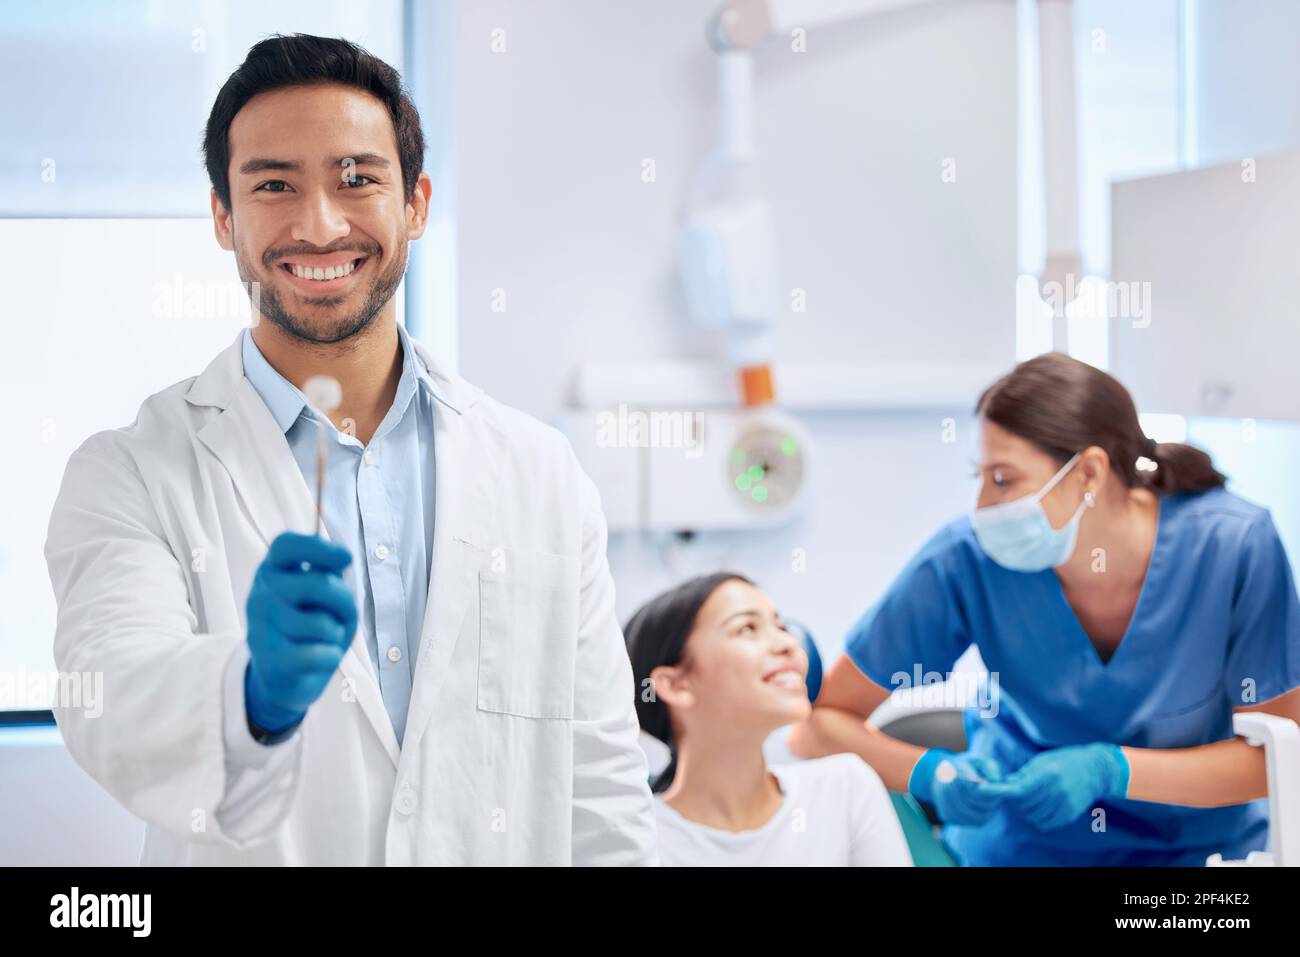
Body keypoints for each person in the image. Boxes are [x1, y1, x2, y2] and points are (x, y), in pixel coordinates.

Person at [44, 34, 657, 866]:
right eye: (273, 185)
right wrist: (251, 693)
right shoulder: (133, 472)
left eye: (357, 178)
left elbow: (603, 792)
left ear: (417, 204)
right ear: (223, 217)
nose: (319, 224)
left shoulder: (537, 472)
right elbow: (106, 699)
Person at [790, 352, 1300, 866]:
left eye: (1004, 479)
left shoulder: (1233, 548)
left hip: (1196, 857)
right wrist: (931, 774)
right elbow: (820, 724)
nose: (983, 506)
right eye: (981, 477)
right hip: (1020, 847)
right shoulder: (967, 558)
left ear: (1090, 473)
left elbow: (1277, 758)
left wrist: (1113, 770)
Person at [626, 573, 912, 866]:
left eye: (780, 626)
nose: (789, 644)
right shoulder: (638, 840)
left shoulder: (845, 788)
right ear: (676, 685)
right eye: (747, 628)